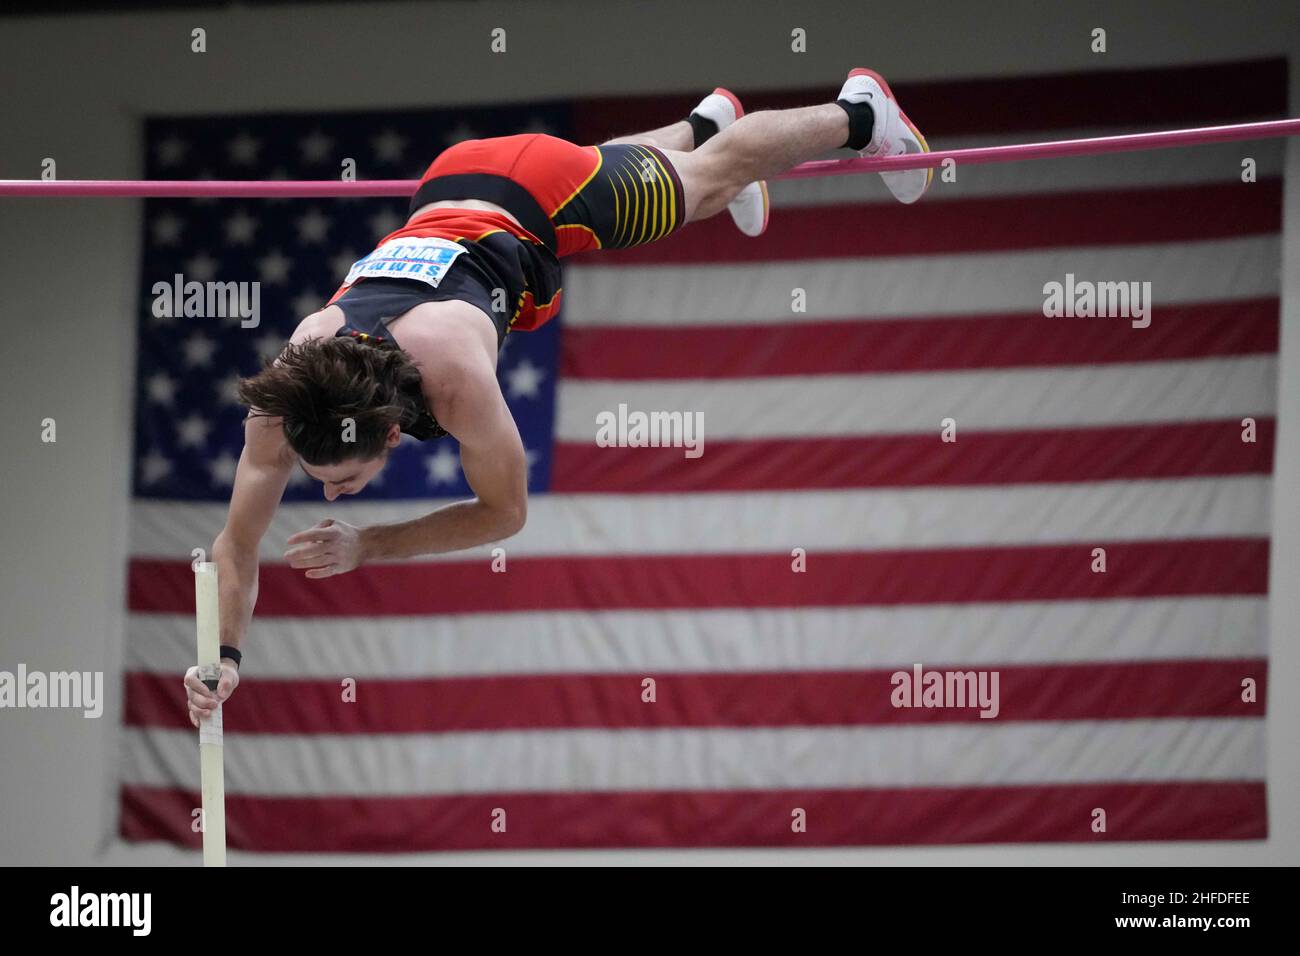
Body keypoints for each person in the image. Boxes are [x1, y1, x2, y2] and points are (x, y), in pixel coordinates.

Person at [184, 68, 929, 726]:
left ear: (387, 435)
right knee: (659, 170)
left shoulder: (455, 384)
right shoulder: (285, 397)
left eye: (342, 481)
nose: (334, 496)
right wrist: (223, 658)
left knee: (709, 180)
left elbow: (506, 513)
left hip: (538, 197)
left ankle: (860, 114)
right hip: (449, 182)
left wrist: (372, 546)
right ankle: (705, 124)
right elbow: (237, 547)